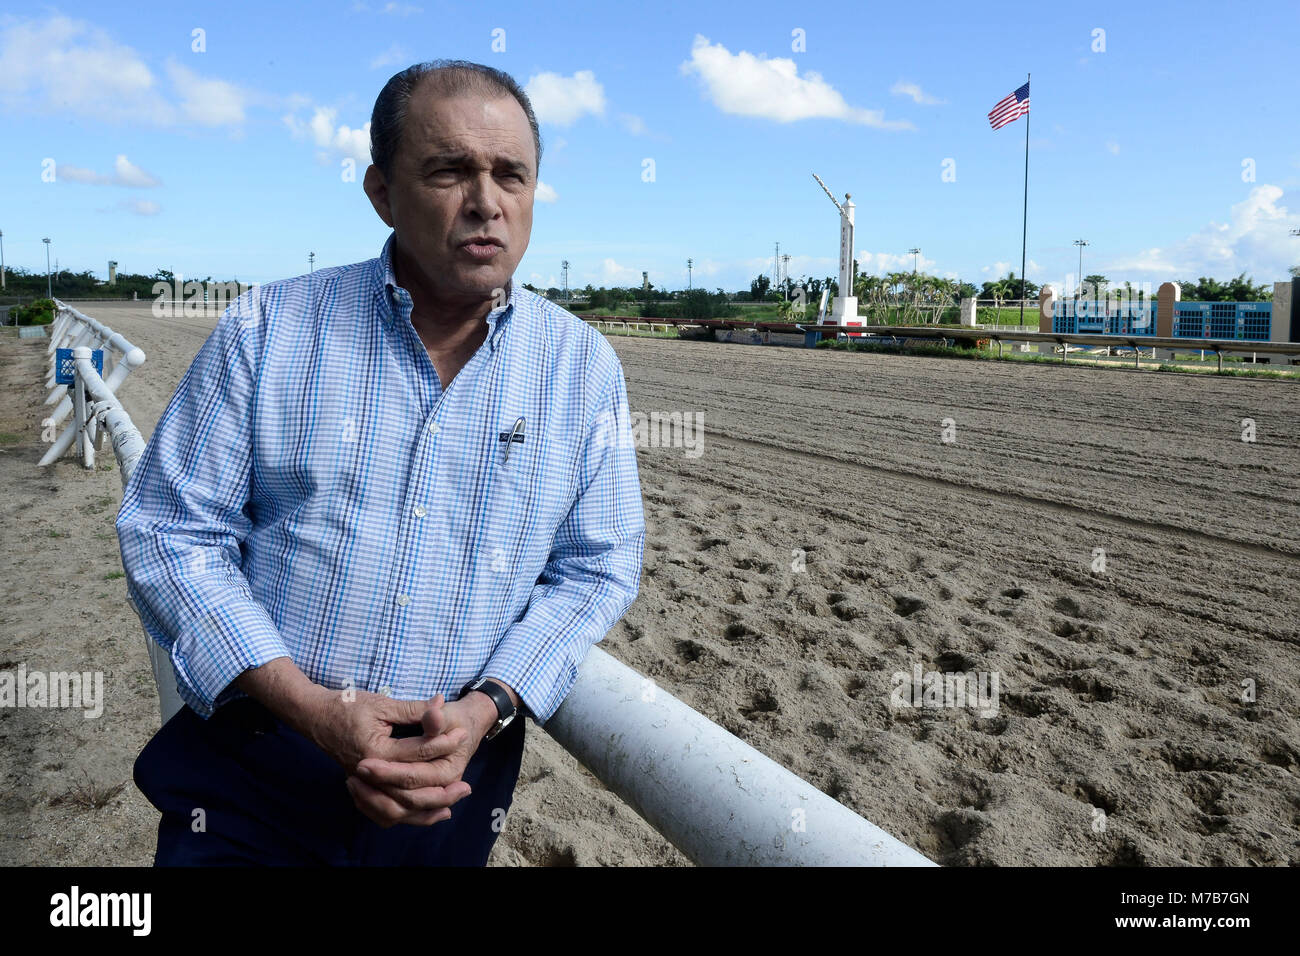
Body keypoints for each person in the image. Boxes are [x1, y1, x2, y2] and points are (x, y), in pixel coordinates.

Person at [116, 59, 645, 866]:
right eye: (449, 171)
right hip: (258, 769)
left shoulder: (582, 368)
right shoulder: (270, 328)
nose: (486, 202)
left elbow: (599, 566)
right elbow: (170, 529)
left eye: (512, 175)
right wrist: (312, 709)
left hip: (449, 787)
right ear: (381, 192)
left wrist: (487, 709)